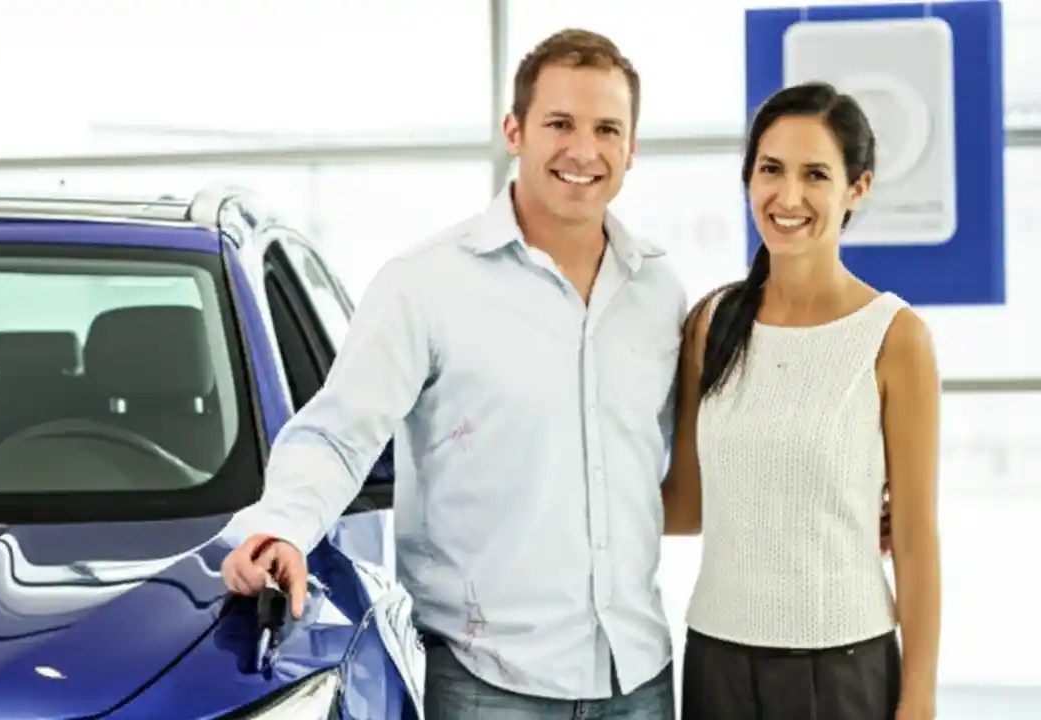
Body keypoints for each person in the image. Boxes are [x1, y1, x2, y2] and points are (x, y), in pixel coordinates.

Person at [221, 28, 680, 719]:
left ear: (632, 147)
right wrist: (281, 526)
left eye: (607, 128)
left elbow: (677, 461)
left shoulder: (658, 289)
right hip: (485, 681)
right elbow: (339, 433)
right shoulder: (426, 286)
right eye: (560, 123)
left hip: (636, 676)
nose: (584, 151)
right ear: (514, 130)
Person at [661, 81, 942, 720]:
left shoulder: (896, 338)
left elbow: (917, 539)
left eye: (816, 174)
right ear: (748, 179)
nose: (788, 197)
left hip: (843, 667)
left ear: (857, 189)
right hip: (717, 661)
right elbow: (686, 506)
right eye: (770, 170)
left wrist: (920, 697)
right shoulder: (710, 324)